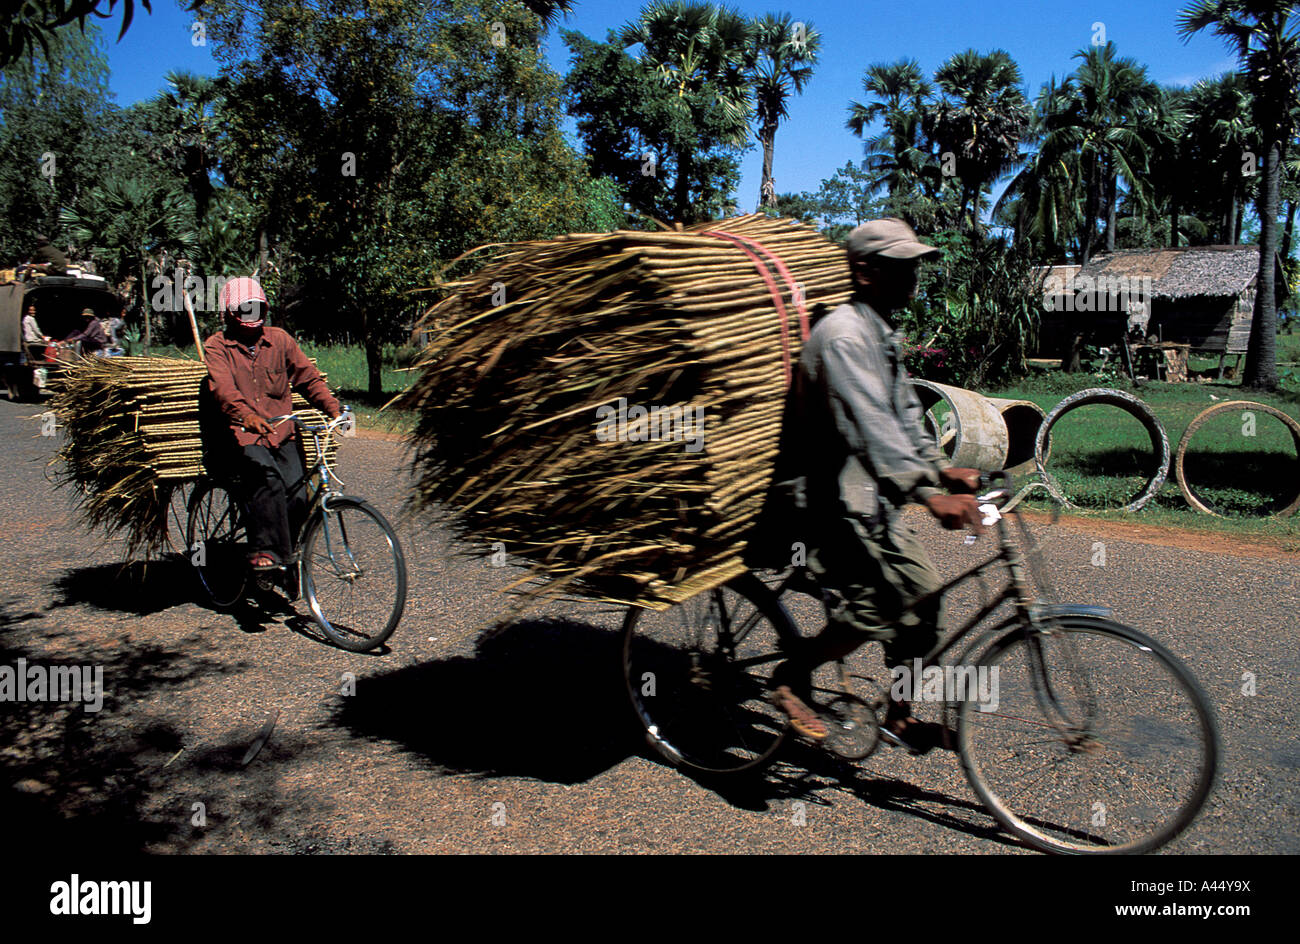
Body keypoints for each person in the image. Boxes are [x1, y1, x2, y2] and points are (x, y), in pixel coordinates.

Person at [765, 218, 986, 751]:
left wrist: (939, 467)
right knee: (886, 597)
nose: (913, 276)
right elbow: (869, 425)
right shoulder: (842, 336)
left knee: (926, 590)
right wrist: (929, 492)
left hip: (857, 496)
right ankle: (792, 674)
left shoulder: (878, 331)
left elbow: (906, 414)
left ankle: (900, 715)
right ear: (864, 271)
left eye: (914, 265)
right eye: (900, 266)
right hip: (809, 501)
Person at [203, 276, 341, 571]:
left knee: (297, 497)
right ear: (229, 312)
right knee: (268, 482)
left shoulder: (280, 340)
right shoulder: (217, 347)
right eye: (244, 308)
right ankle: (263, 551)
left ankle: (286, 555)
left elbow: (308, 377)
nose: (251, 314)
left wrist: (333, 409)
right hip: (240, 436)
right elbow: (223, 390)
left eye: (256, 307)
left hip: (281, 433)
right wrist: (246, 416)